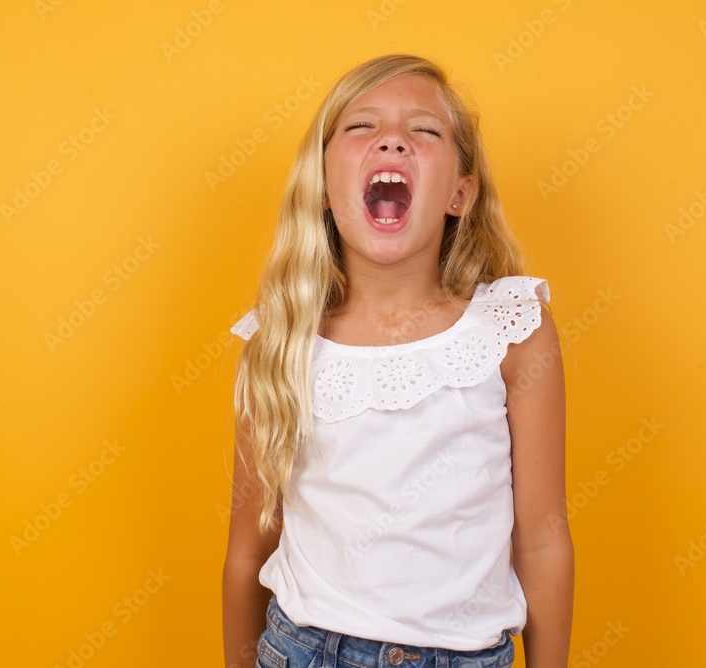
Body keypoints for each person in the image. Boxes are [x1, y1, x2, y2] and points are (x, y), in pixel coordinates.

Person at [222, 53, 573, 668]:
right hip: (300, 649)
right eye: (362, 127)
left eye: (425, 131)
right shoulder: (280, 340)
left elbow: (542, 540)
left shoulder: (513, 331)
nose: (392, 140)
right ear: (325, 188)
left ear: (460, 193)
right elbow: (249, 550)